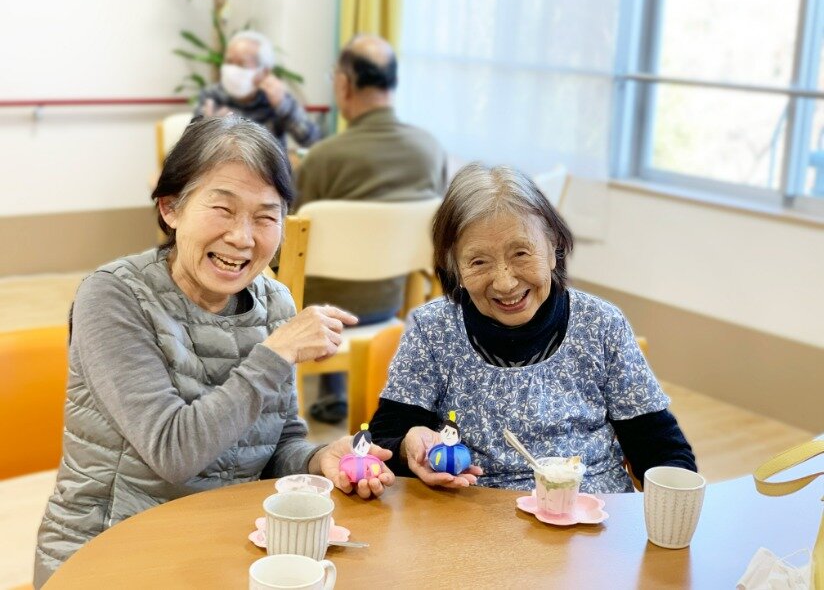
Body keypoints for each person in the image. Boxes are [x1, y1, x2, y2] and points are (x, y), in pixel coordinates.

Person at [33, 116, 394, 588]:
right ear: (171, 208)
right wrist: (275, 354)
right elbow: (174, 453)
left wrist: (318, 458)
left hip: (222, 547)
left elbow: (275, 444)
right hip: (109, 551)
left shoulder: (276, 302)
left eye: (266, 216)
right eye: (223, 209)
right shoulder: (113, 297)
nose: (243, 237)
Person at [369, 163, 696, 493]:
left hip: (592, 513)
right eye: (478, 262)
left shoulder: (601, 325)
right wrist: (409, 445)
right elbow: (386, 440)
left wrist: (673, 500)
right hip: (472, 513)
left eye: (521, 253)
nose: (505, 282)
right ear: (455, 268)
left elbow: (661, 448)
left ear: (553, 249)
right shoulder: (433, 330)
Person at [294, 33, 448, 424]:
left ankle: (328, 392)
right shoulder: (429, 150)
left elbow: (288, 242)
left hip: (320, 315)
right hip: (389, 305)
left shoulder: (323, 159)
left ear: (344, 84)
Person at [195, 30, 321, 152]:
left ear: (264, 72)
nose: (232, 70)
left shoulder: (276, 99)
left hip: (270, 166)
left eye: (241, 65)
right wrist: (209, 128)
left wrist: (283, 106)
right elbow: (191, 146)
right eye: (229, 62)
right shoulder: (212, 96)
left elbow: (314, 142)